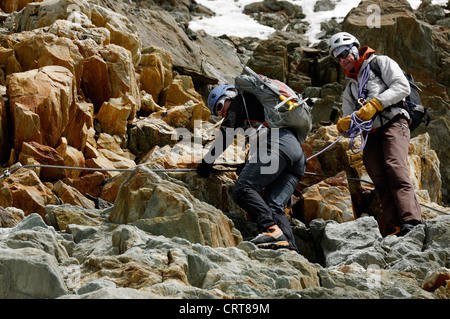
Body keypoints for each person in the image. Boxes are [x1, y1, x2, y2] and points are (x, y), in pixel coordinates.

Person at [196, 81, 308, 253]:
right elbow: (257, 147)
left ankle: (271, 230)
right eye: (216, 113)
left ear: (230, 96)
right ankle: (290, 249)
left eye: (219, 106)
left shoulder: (240, 101)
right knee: (274, 204)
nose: (221, 113)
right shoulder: (252, 116)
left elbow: (226, 134)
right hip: (296, 157)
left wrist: (206, 163)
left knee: (242, 189)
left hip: (279, 145)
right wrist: (248, 165)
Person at [330, 32, 422, 236]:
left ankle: (412, 221)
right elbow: (349, 121)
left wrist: (376, 103)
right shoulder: (350, 89)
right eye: (337, 57)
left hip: (394, 122)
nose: (342, 59)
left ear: (355, 49)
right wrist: (345, 125)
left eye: (344, 52)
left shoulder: (380, 63)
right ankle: (393, 226)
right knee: (379, 177)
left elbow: (402, 86)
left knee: (395, 167)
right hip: (371, 133)